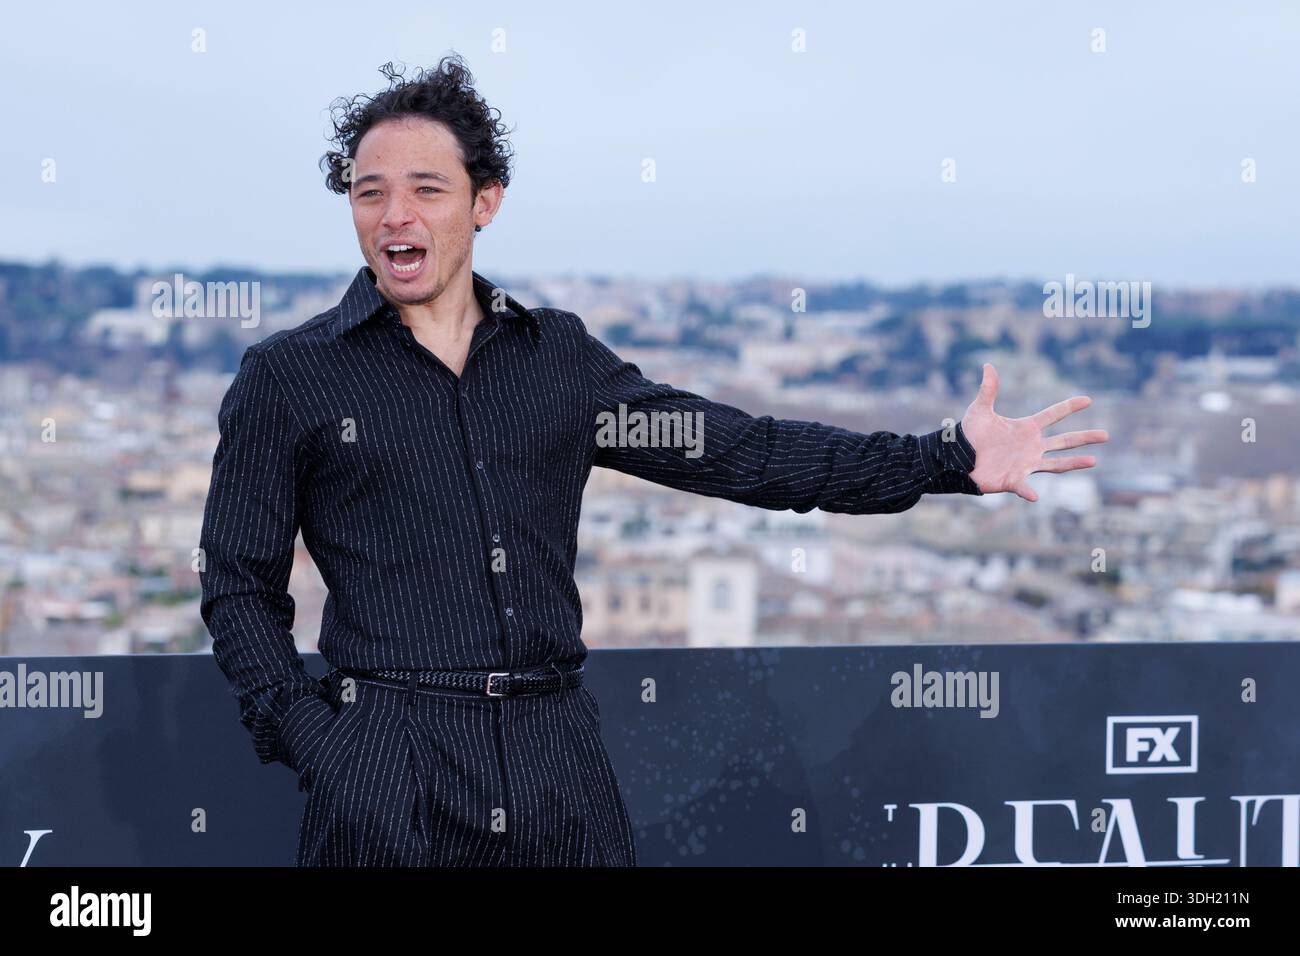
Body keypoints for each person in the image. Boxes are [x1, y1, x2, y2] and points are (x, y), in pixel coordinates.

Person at [197, 54, 1108, 867]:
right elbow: (236, 583)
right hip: (386, 764)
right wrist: (320, 746)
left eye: (427, 189)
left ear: (485, 201)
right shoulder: (290, 377)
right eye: (369, 191)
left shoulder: (558, 359)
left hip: (557, 761)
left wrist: (944, 458)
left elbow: (742, 452)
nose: (395, 213)